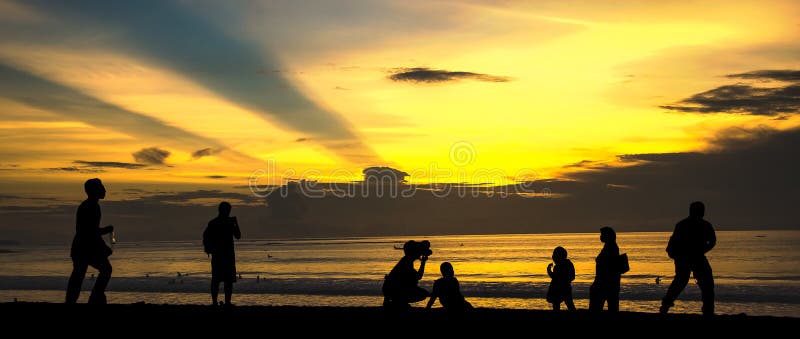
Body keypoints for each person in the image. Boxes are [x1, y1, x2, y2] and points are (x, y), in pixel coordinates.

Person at [661, 201, 716, 316]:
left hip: (688, 258)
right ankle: (708, 310)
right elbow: (712, 241)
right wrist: (702, 250)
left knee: (683, 282)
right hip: (688, 258)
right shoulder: (701, 225)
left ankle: (666, 306)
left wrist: (702, 250)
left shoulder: (683, 224)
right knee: (703, 284)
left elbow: (712, 241)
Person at [65, 178, 114, 304]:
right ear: (94, 191)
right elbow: (89, 231)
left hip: (83, 247)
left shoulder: (91, 205)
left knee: (79, 275)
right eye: (101, 187)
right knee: (101, 270)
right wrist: (105, 231)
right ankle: (95, 297)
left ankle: (90, 298)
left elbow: (90, 231)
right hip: (85, 247)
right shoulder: (90, 206)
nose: (104, 190)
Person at [203, 201, 242, 307]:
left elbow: (238, 236)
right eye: (228, 210)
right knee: (223, 280)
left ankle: (217, 302)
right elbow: (238, 236)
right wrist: (235, 223)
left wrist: (235, 223)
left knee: (219, 279)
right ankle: (224, 302)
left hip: (221, 255)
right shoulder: (223, 223)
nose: (228, 212)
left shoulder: (214, 223)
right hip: (224, 255)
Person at [382, 240, 431, 309]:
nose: (420, 254)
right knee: (422, 294)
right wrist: (423, 263)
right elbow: (418, 276)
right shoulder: (407, 262)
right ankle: (398, 302)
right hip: (393, 291)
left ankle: (397, 302)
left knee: (420, 291)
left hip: (389, 290)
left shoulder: (406, 261)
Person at [589, 227, 622, 313]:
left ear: (608, 236)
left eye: (602, 234)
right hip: (609, 282)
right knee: (612, 304)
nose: (600, 237)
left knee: (599, 305)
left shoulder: (611, 247)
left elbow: (607, 265)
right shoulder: (609, 246)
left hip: (605, 282)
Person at [546, 246, 576, 311]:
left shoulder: (559, 266)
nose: (553, 257)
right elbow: (572, 276)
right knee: (569, 303)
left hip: (559, 288)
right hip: (566, 287)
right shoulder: (568, 264)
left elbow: (554, 277)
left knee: (557, 303)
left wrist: (548, 270)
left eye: (554, 255)